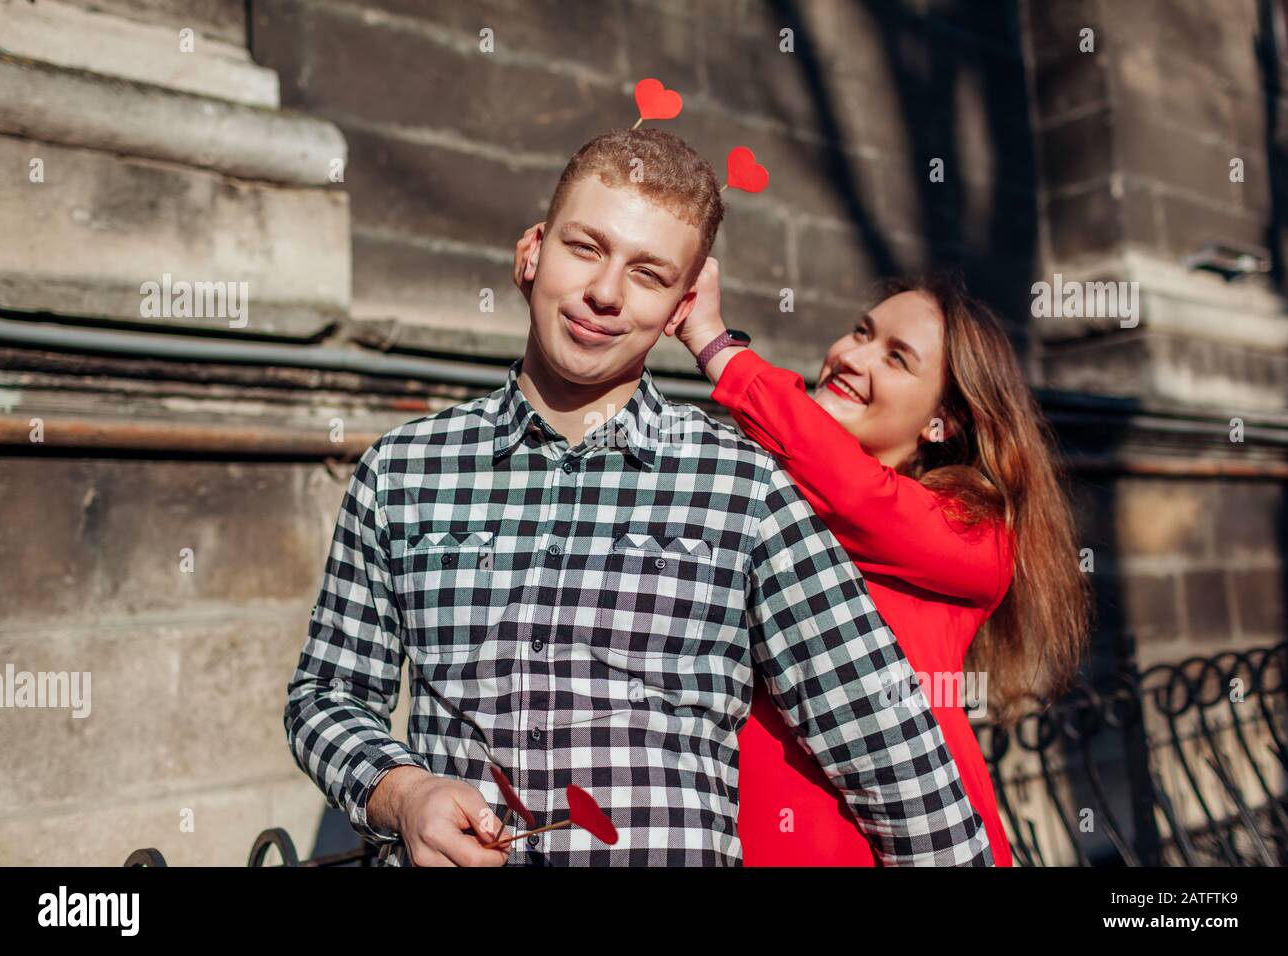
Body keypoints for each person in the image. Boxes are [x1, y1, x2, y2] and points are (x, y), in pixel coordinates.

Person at [286, 127, 994, 867]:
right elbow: (325, 697)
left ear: (682, 304)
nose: (605, 293)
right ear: (532, 252)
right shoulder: (402, 473)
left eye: (649, 274)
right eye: (585, 248)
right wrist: (403, 793)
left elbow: (887, 745)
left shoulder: (743, 488)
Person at [666, 257, 1090, 864]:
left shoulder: (977, 534)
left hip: (886, 843)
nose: (854, 356)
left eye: (897, 357)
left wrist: (713, 345)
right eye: (862, 332)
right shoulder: (773, 486)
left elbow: (860, 495)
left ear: (945, 422)